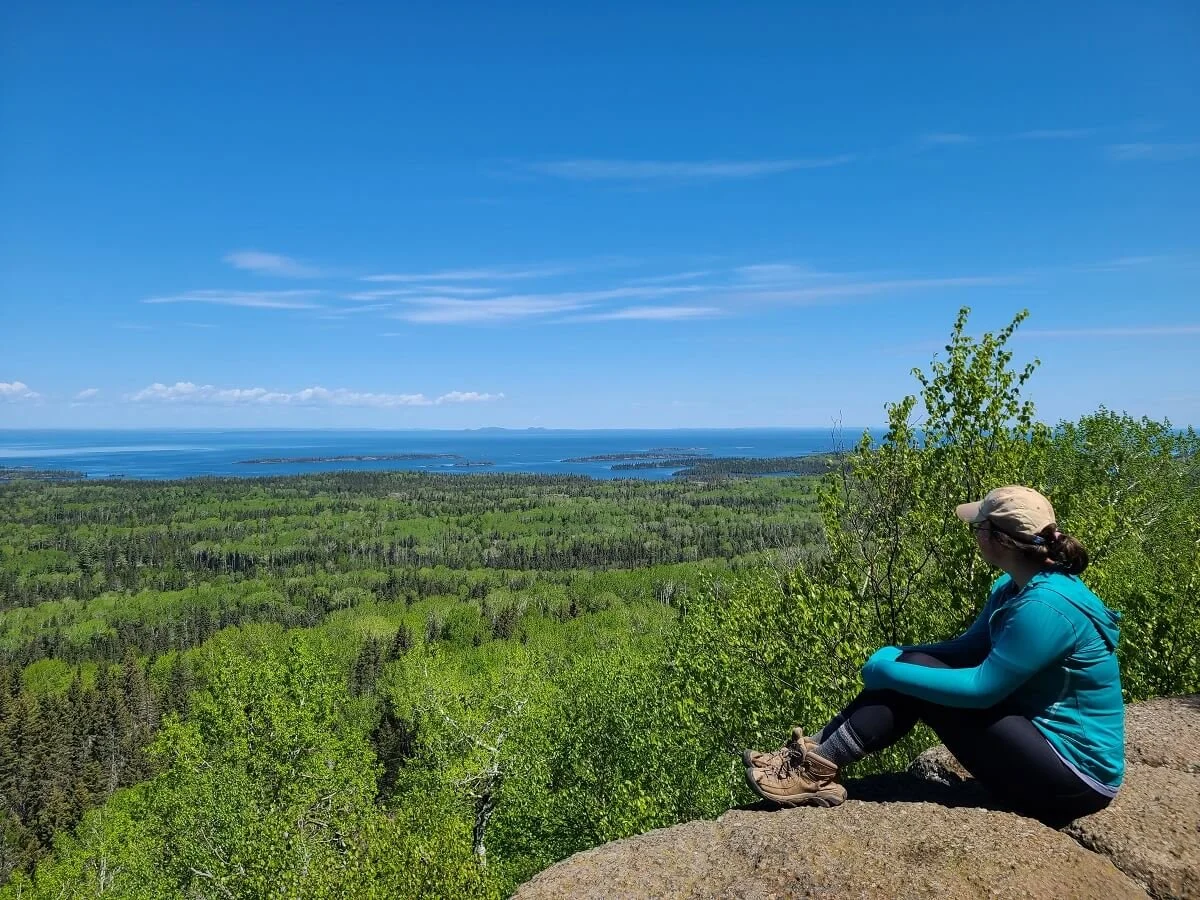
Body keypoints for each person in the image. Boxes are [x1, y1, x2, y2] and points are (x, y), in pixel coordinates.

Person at [742, 485, 1125, 826]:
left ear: (999, 539)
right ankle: (814, 751)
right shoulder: (1016, 587)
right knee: (913, 668)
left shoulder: (1046, 607)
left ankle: (812, 772)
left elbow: (980, 689)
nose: (974, 535)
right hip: (1043, 750)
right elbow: (968, 648)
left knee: (913, 680)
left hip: (1073, 779)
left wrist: (893, 674)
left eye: (978, 528)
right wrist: (904, 654)